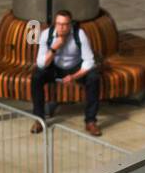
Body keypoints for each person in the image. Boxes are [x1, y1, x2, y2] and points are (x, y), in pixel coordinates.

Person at [31, 9, 101, 137]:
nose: (62, 28)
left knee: (94, 78)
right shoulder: (46, 34)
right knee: (37, 77)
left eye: (65, 24)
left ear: (70, 24)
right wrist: (54, 48)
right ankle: (39, 119)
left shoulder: (79, 34)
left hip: (74, 67)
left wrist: (74, 76)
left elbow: (89, 61)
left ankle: (90, 121)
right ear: (55, 24)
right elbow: (41, 64)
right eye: (59, 24)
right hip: (54, 67)